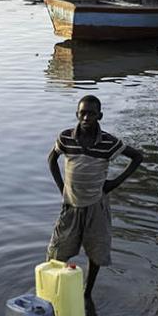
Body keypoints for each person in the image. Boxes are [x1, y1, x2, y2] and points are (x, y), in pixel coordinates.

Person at [46, 95, 143, 298]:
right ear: (77, 114)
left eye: (91, 113)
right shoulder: (66, 138)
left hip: (96, 206)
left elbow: (137, 157)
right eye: (83, 113)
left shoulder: (107, 143)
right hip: (71, 206)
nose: (87, 117)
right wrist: (61, 187)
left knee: (96, 251)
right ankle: (56, 291)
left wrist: (115, 183)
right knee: (58, 252)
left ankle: (86, 293)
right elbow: (52, 159)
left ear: (99, 115)